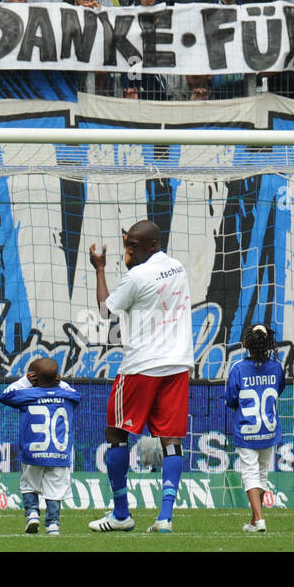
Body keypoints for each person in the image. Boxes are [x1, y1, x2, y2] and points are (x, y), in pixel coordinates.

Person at [88, 220, 194, 534]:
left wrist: (100, 270)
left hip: (141, 367)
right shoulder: (177, 268)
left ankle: (121, 514)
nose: (129, 251)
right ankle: (165, 518)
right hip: (176, 365)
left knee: (116, 433)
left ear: (151, 245)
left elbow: (106, 312)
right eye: (127, 245)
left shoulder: (136, 276)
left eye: (134, 246)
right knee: (171, 441)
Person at [0, 357, 80, 536]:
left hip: (33, 452)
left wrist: (25, 381)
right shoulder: (68, 396)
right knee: (55, 490)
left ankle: (32, 514)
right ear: (57, 377)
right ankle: (52, 525)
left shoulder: (26, 395)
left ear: (33, 376)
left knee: (29, 484)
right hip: (59, 454)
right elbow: (77, 394)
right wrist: (61, 382)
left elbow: (5, 395)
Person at [226, 322, 285, 534]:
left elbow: (231, 398)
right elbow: (279, 389)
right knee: (262, 474)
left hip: (247, 430)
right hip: (269, 430)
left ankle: (259, 519)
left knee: (250, 474)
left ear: (245, 344)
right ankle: (253, 521)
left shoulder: (238, 368)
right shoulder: (277, 367)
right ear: (269, 343)